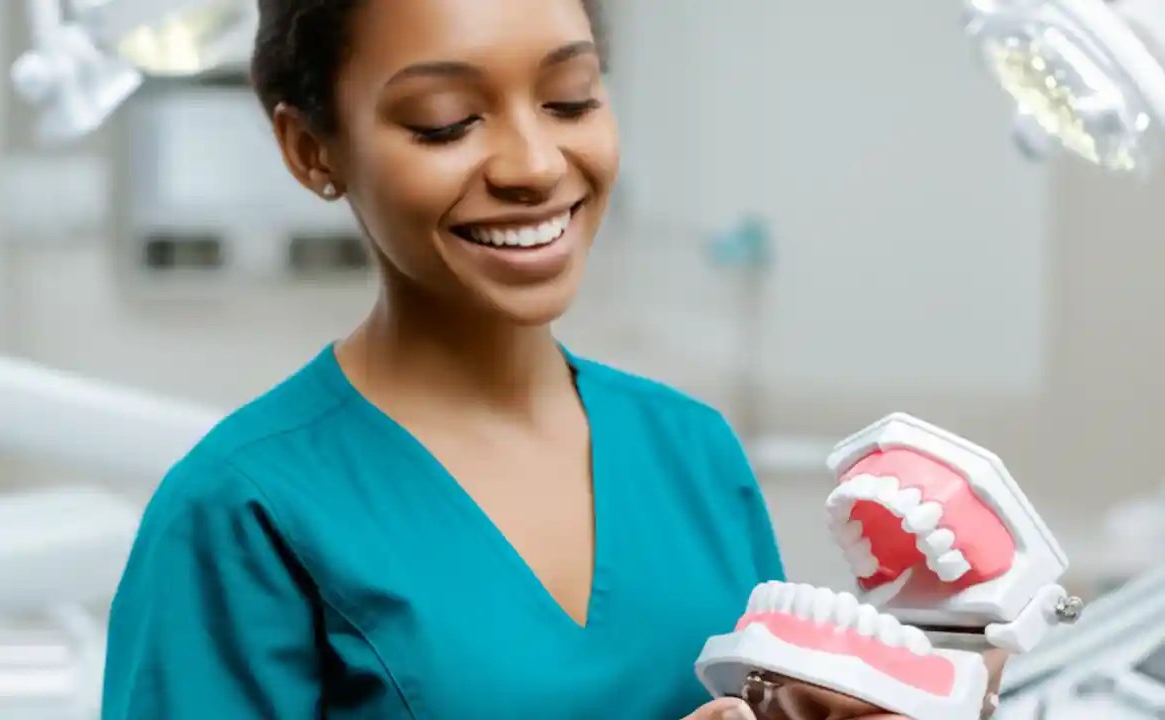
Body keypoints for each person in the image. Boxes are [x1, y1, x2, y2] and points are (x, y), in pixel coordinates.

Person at [99, 0, 1002, 718]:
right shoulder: (242, 511)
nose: (534, 163)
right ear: (311, 148)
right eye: (445, 122)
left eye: (571, 100)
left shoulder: (691, 453)